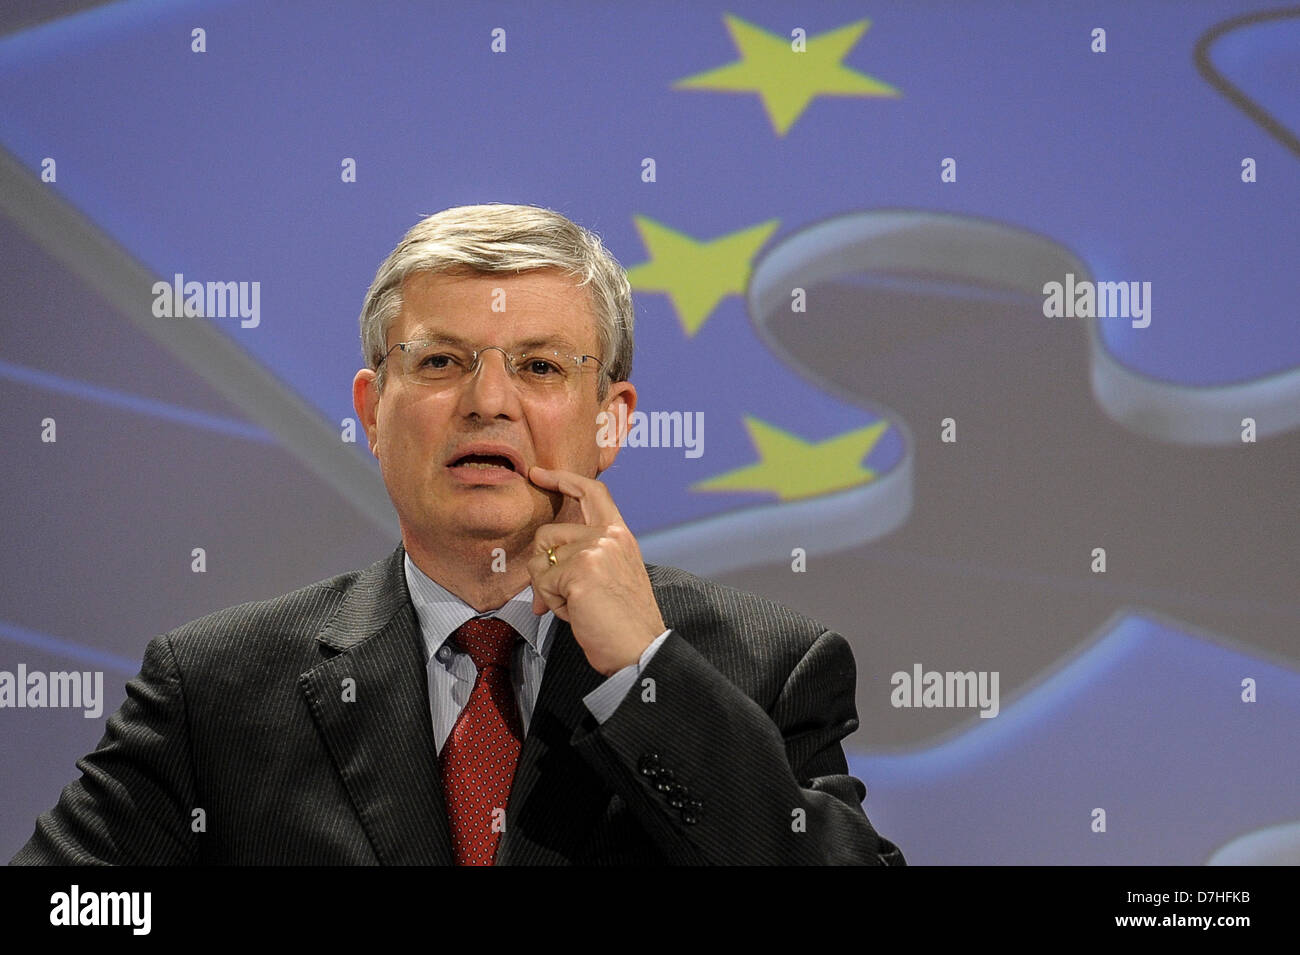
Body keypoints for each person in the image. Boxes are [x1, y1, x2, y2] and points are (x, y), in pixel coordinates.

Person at [11, 203, 904, 865]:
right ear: (372, 409)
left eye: (540, 367)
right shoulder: (216, 690)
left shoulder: (766, 667)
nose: (487, 401)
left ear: (611, 419)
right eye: (440, 362)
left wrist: (644, 675)